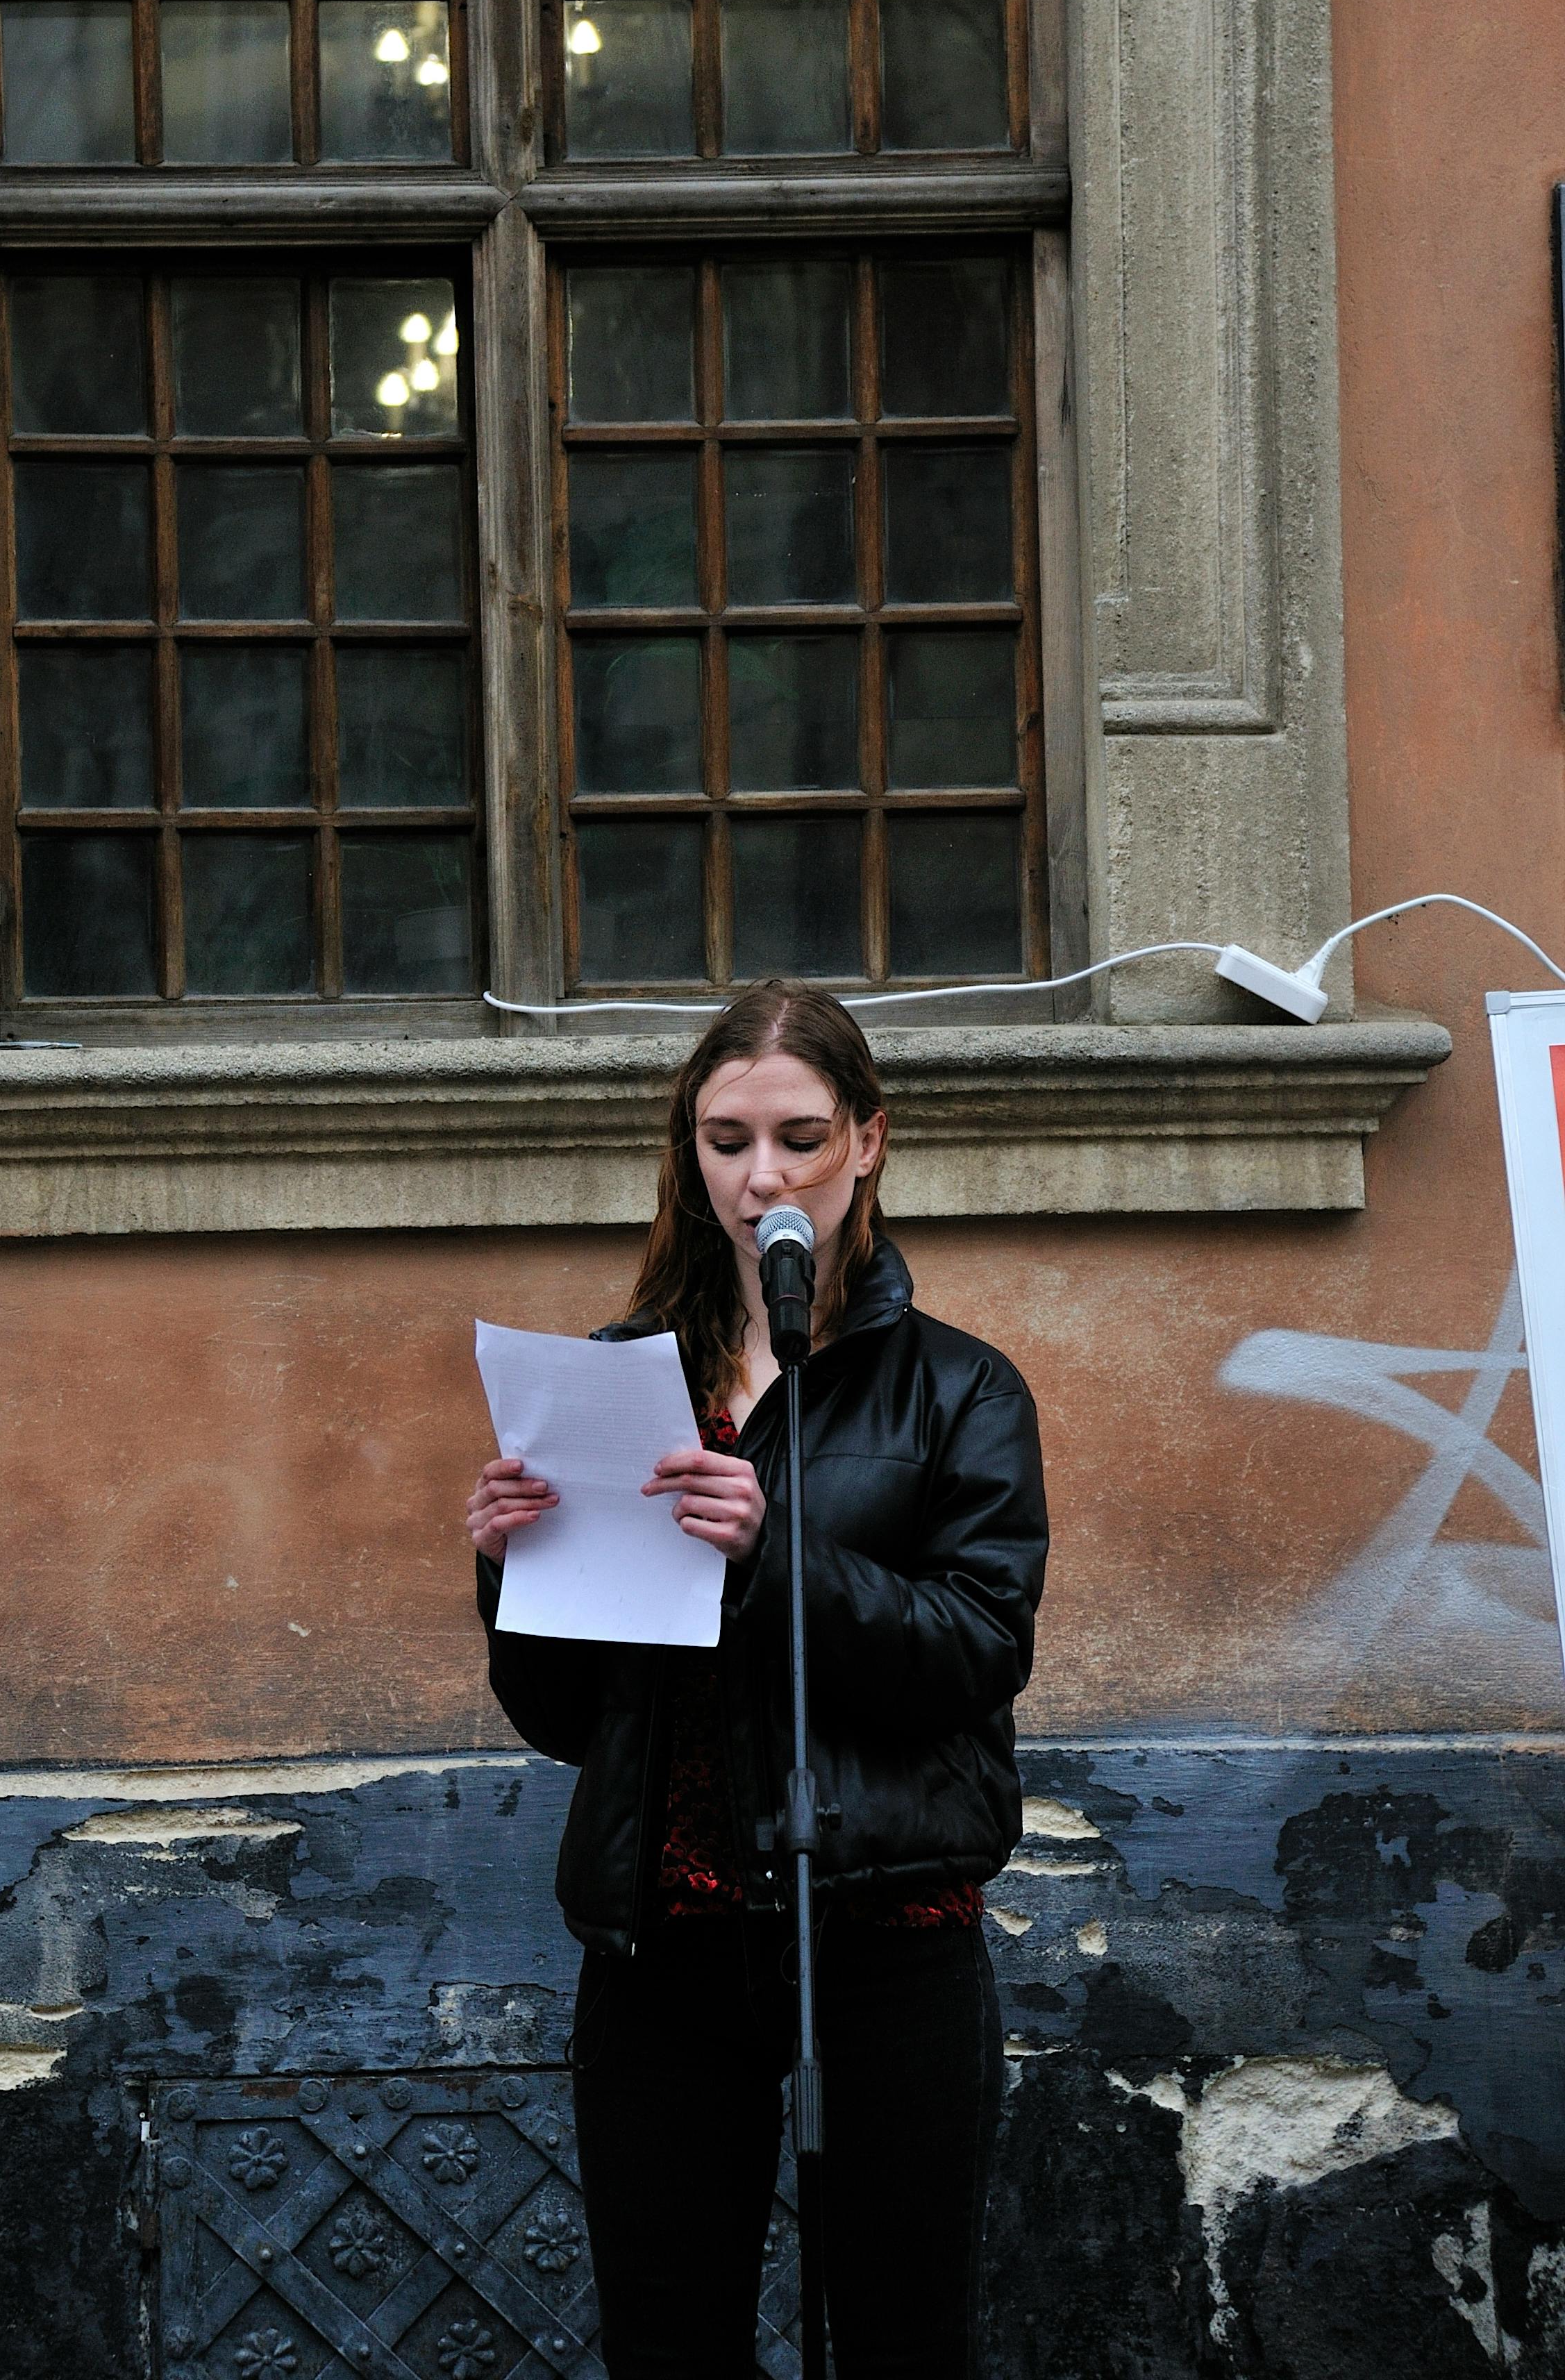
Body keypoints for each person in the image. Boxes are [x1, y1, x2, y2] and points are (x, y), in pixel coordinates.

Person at [467, 980, 1049, 2380]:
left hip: (885, 1933)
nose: (762, 1178)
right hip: (665, 1943)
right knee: (670, 2344)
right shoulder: (619, 1380)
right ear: (692, 1154)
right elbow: (567, 1721)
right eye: (727, 1142)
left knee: (903, 2341)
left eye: (799, 1137)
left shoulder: (959, 1390)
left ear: (868, 1142)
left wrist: (773, 1551)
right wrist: (511, 1569)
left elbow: (977, 1651)